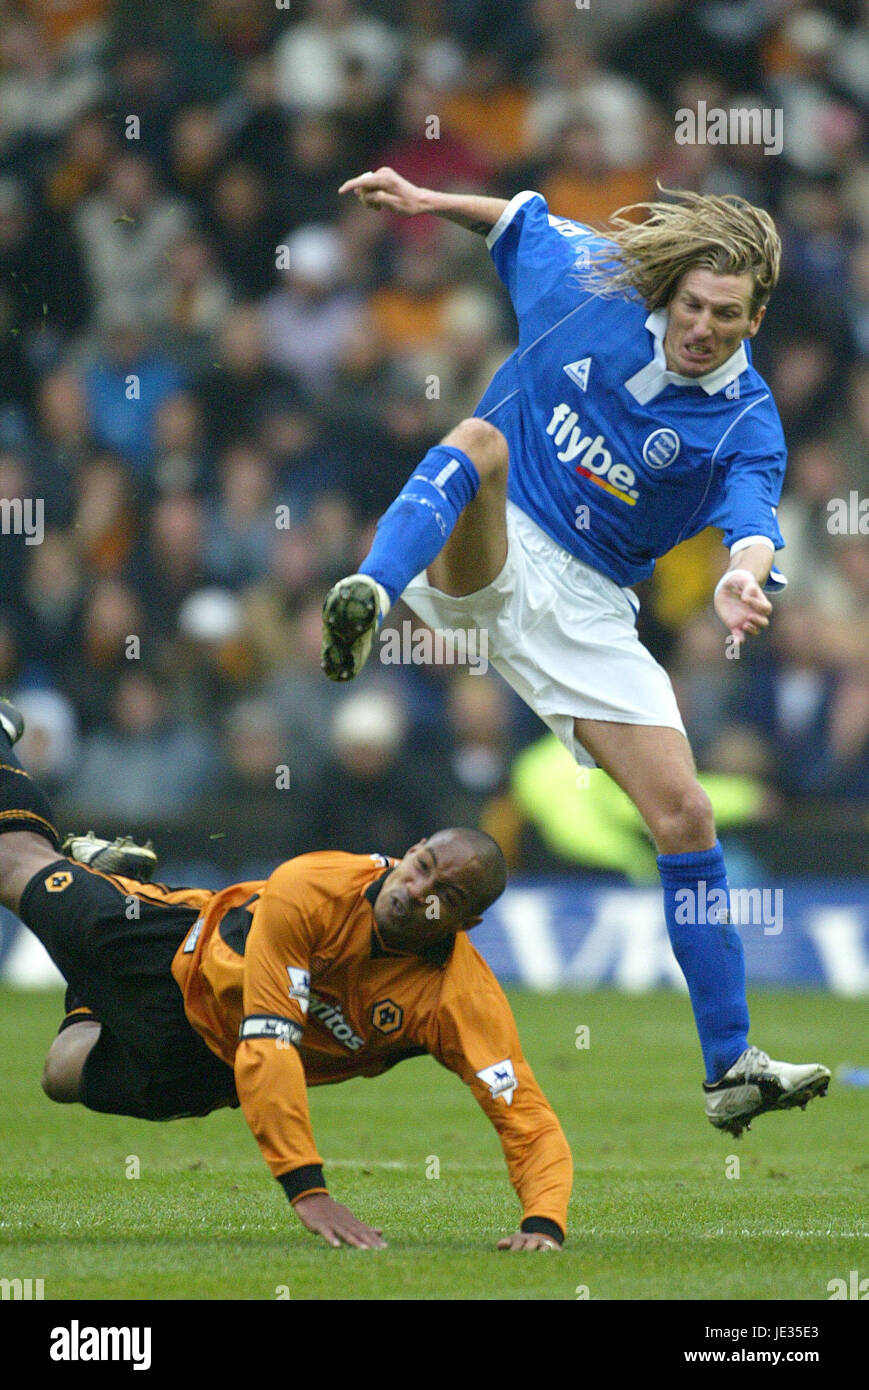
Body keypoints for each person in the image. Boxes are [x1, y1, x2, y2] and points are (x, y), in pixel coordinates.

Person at [320, 167, 831, 1136]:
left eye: (725, 314)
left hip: (591, 609)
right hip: (488, 539)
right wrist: (428, 202)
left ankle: (729, 1067)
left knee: (682, 815)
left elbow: (754, 524)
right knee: (477, 435)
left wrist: (741, 578)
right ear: (666, 293)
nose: (702, 327)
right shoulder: (585, 283)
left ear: (752, 317)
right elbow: (516, 216)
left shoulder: (745, 420)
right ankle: (368, 595)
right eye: (690, 305)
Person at [0, 699, 570, 1252]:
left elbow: (526, 1117)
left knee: (61, 1075)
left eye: (444, 897)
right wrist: (307, 1188)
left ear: (466, 922)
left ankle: (92, 933)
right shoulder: (316, 886)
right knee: (14, 860)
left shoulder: (458, 999)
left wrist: (543, 1224)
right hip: (173, 953)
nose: (418, 891)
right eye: (422, 868)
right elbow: (269, 1045)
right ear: (411, 850)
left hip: (208, 1062)